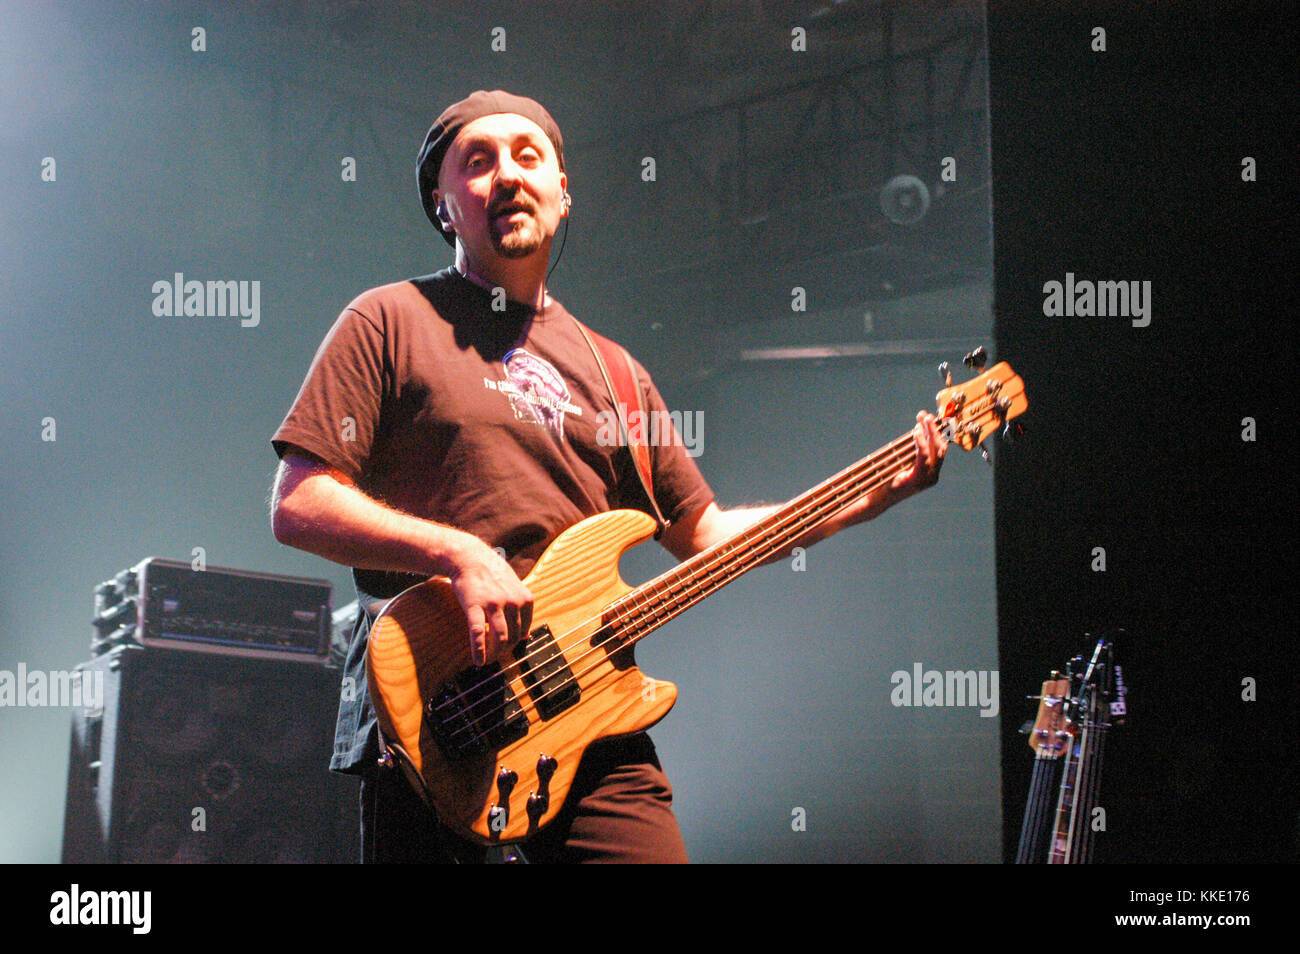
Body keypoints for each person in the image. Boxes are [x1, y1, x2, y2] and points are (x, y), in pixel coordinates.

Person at [269, 89, 948, 863]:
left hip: (587, 714)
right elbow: (300, 503)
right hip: (434, 711)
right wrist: (461, 555)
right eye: (478, 162)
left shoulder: (617, 373)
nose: (508, 176)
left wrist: (871, 496)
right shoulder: (388, 321)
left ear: (563, 194)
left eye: (530, 156)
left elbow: (708, 536)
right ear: (443, 205)